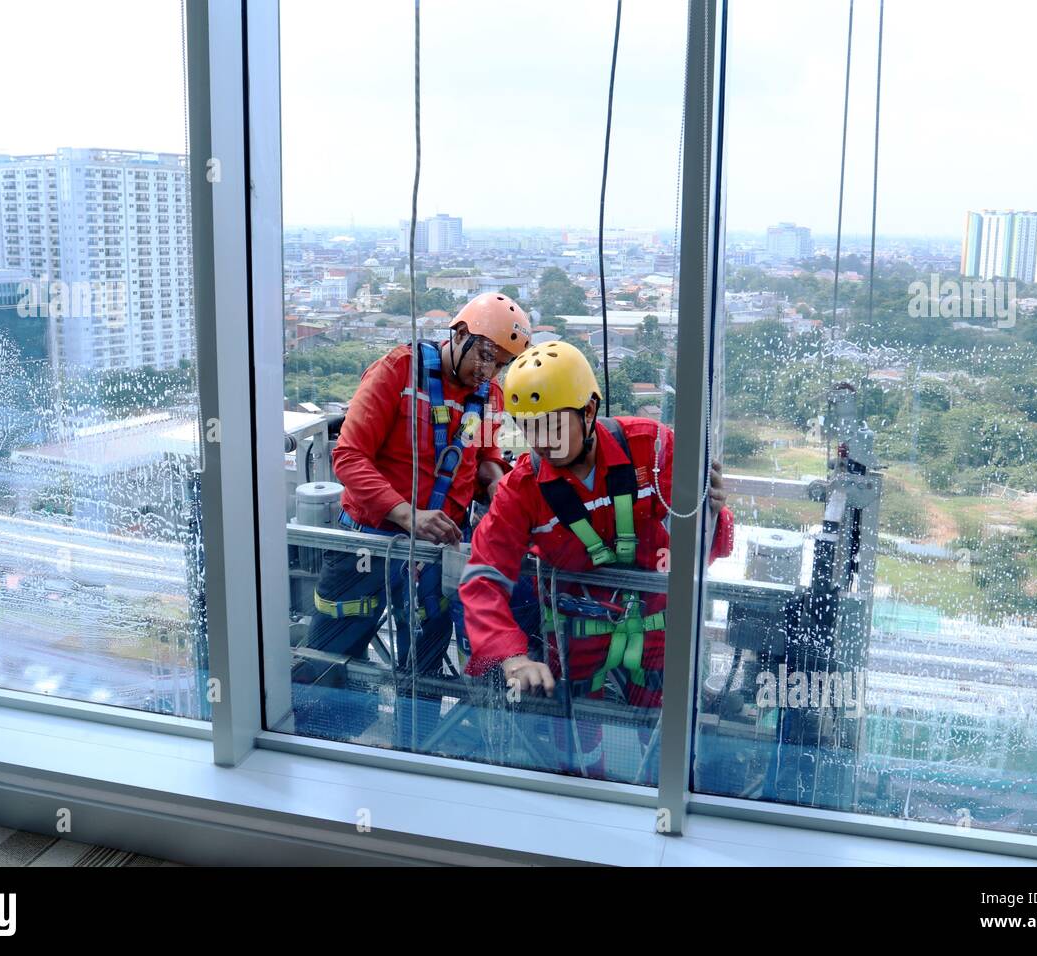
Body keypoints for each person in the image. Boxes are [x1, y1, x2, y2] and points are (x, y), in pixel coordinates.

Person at [458, 340, 733, 779]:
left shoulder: (653, 449)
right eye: (528, 428)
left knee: (667, 752)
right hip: (575, 636)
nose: (541, 442)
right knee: (578, 753)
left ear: (588, 410)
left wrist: (713, 511)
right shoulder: (522, 489)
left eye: (552, 425)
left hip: (659, 630)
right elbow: (483, 577)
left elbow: (702, 549)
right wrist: (513, 657)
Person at [297, 293, 531, 748]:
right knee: (331, 651)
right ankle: (315, 746)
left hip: (434, 554)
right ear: (458, 335)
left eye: (501, 364)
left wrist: (499, 487)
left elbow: (484, 459)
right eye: (485, 355)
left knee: (422, 665)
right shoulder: (398, 372)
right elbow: (349, 456)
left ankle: (414, 751)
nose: (489, 371)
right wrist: (408, 515)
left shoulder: (490, 396)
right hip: (367, 543)